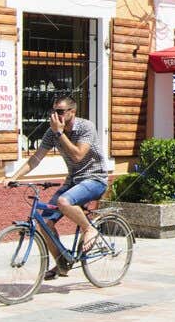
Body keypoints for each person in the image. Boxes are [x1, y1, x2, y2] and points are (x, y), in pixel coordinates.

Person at [9, 95, 111, 279]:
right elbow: (36, 158)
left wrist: (59, 133)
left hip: (95, 179)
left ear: (72, 112)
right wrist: (13, 177)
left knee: (64, 201)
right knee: (45, 224)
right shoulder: (52, 132)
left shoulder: (85, 127)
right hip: (73, 181)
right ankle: (62, 263)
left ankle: (89, 229)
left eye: (60, 112)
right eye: (53, 111)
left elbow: (78, 155)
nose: (55, 115)